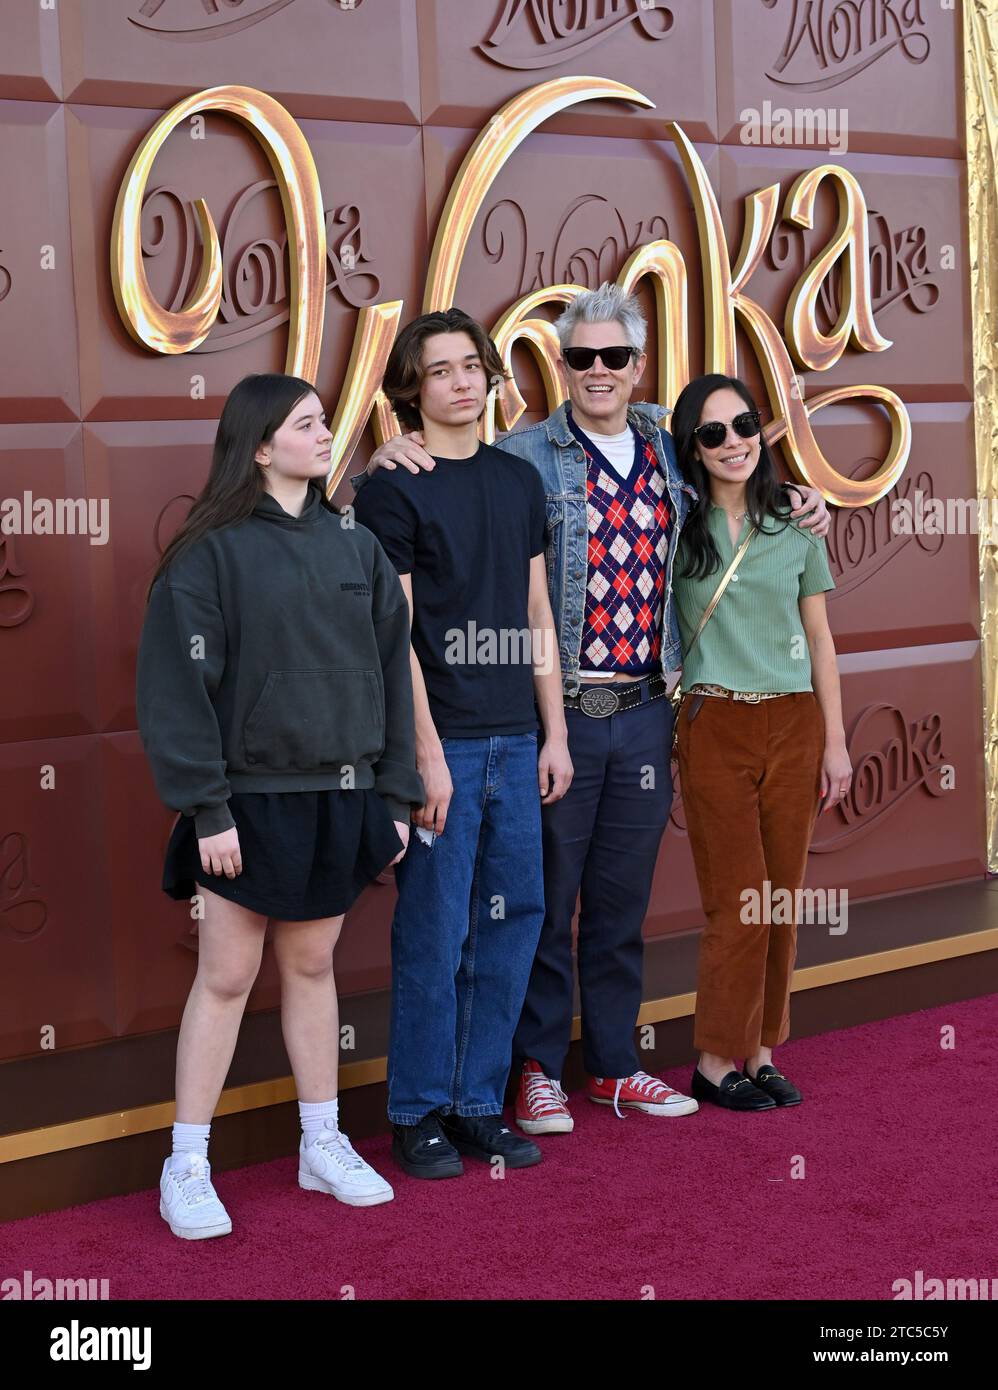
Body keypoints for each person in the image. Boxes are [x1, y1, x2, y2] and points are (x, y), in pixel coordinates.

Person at [361, 284, 831, 1135]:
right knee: (540, 899)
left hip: (650, 708)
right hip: (561, 711)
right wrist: (384, 457)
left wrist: (799, 496)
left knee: (621, 902)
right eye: (582, 358)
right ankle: (536, 1070)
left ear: (639, 365)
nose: (599, 371)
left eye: (616, 357)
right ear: (561, 366)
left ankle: (615, 1064)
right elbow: (444, 474)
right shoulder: (525, 453)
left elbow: (736, 472)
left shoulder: (666, 439)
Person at [136, 373, 424, 1238]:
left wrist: (398, 794)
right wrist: (207, 808)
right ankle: (185, 1163)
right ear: (261, 446)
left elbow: (391, 680)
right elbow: (175, 688)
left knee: (310, 970)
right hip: (245, 805)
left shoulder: (356, 545)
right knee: (225, 978)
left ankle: (321, 1143)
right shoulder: (207, 552)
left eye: (326, 421)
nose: (327, 434)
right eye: (308, 424)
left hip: (341, 798)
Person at [352, 307, 572, 1179]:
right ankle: (418, 1113)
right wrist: (426, 754)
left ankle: (481, 1104)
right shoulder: (391, 488)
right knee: (435, 936)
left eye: (471, 365)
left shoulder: (517, 482)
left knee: (513, 923)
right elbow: (394, 631)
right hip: (441, 746)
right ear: (414, 388)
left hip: (519, 743)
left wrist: (554, 732)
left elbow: (535, 612)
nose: (460, 380)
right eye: (439, 369)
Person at [670, 373, 851, 1111]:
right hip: (715, 723)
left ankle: (764, 1052)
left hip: (796, 720)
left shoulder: (795, 525)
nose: (732, 443)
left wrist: (835, 743)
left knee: (782, 902)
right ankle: (715, 1062)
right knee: (739, 901)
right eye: (711, 434)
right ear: (692, 447)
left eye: (742, 425)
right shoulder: (675, 525)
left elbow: (821, 639)